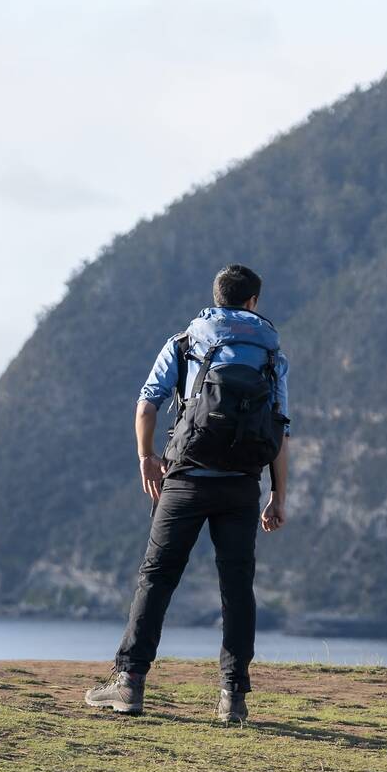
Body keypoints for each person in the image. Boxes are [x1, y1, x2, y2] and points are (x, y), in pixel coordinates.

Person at [84, 264, 290, 721]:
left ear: (216, 297)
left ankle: (129, 683)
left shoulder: (185, 342)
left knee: (157, 578)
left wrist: (147, 457)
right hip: (242, 485)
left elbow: (147, 404)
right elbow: (280, 430)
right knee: (237, 586)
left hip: (186, 479)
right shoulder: (272, 354)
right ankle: (233, 697)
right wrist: (278, 495)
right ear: (253, 302)